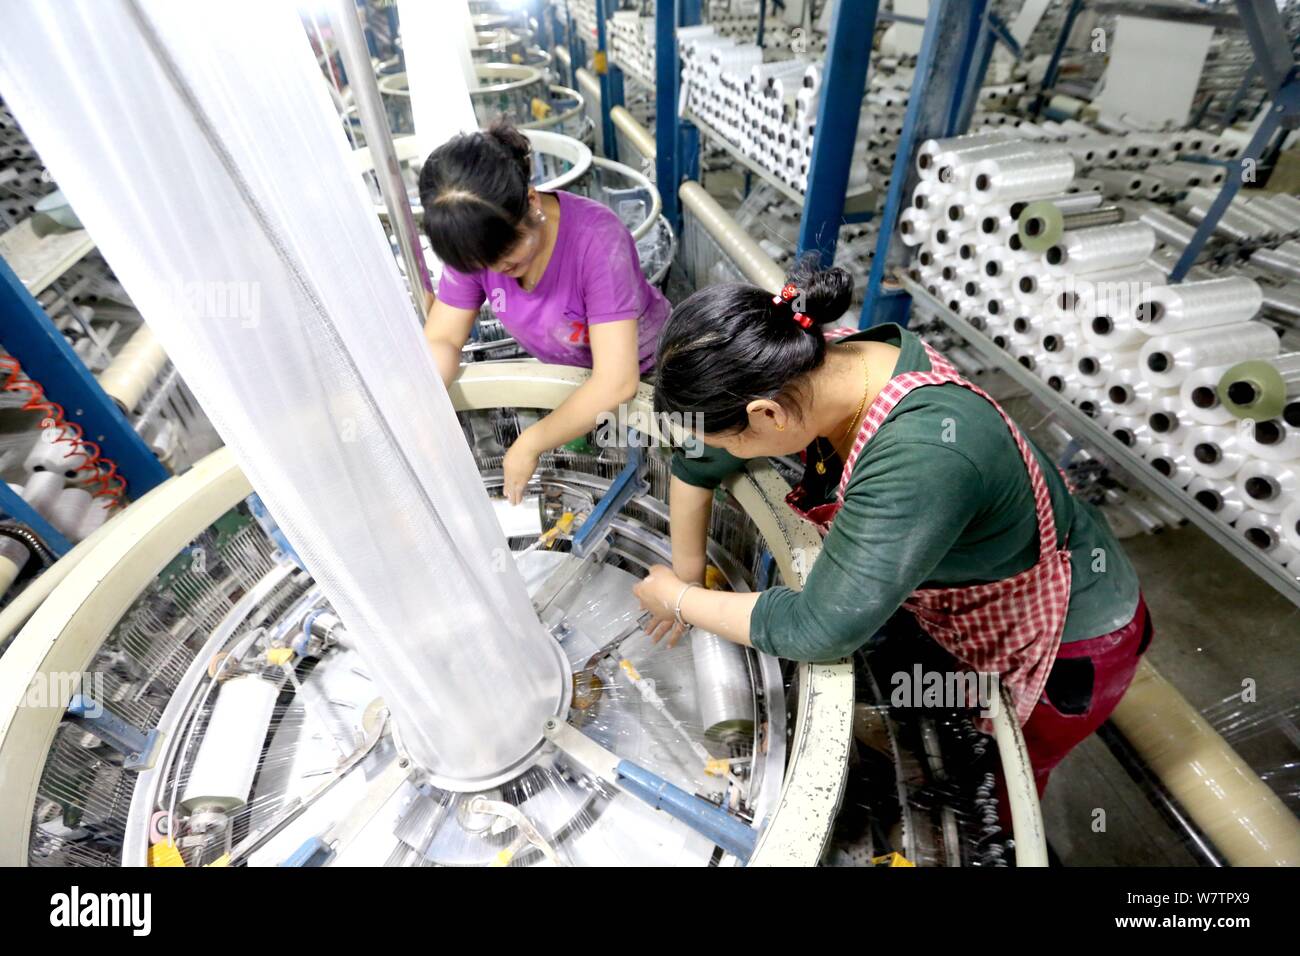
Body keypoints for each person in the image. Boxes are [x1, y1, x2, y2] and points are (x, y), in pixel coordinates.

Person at [633, 264, 1151, 795]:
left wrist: (679, 600)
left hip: (1066, 636)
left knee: (996, 782)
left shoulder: (921, 452)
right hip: (963, 587)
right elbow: (697, 460)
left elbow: (820, 628)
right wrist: (688, 569)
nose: (721, 452)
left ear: (767, 415)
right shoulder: (822, 361)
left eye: (729, 441)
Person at [419, 121, 670, 502]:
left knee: (666, 472)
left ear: (532, 202)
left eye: (507, 253)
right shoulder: (476, 246)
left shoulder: (597, 241)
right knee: (590, 466)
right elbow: (443, 338)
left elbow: (617, 382)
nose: (497, 268)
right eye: (482, 262)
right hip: (575, 379)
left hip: (653, 376)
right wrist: (421, 409)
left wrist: (530, 443)